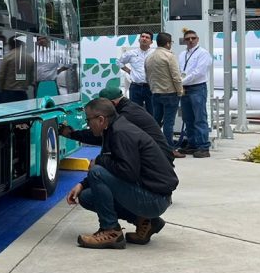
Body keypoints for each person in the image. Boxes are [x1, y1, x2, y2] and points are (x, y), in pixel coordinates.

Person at [65, 98, 179, 249]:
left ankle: (110, 231)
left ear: (100, 119)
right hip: (152, 194)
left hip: (156, 199)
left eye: (88, 120)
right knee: (86, 196)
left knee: (96, 172)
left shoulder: (121, 133)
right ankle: (145, 221)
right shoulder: (114, 128)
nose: (87, 124)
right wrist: (82, 184)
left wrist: (99, 161)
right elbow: (113, 168)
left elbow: (127, 173)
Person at [61, 84, 174, 165]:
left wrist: (73, 134)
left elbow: (101, 136)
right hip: (159, 157)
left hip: (158, 160)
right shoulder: (129, 108)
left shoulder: (126, 116)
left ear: (113, 104)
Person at [145, 32, 184, 156]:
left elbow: (147, 77)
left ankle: (153, 147)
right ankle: (170, 149)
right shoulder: (169, 56)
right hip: (170, 93)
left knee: (155, 122)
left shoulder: (149, 57)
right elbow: (176, 77)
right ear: (168, 43)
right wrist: (180, 91)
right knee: (168, 123)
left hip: (155, 93)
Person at [177, 28, 212, 157]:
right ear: (184, 40)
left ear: (197, 39)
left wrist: (182, 81)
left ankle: (203, 146)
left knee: (200, 118)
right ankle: (192, 144)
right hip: (185, 89)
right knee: (188, 118)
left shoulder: (203, 53)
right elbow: (180, 70)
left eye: (193, 38)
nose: (190, 40)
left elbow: (199, 72)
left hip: (197, 87)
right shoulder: (182, 54)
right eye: (187, 39)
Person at [117, 31, 154, 114]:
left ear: (151, 42)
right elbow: (119, 62)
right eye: (142, 36)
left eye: (147, 37)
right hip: (135, 87)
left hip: (150, 87)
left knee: (152, 112)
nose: (144, 38)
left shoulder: (154, 54)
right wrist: (129, 71)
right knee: (135, 113)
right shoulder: (131, 53)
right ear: (139, 39)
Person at [0, 36, 34, 102]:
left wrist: (0, 89)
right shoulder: (29, 57)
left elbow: (1, 76)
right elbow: (31, 77)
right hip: (23, 93)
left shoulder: (8, 56)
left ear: (10, 45)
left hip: (8, 93)